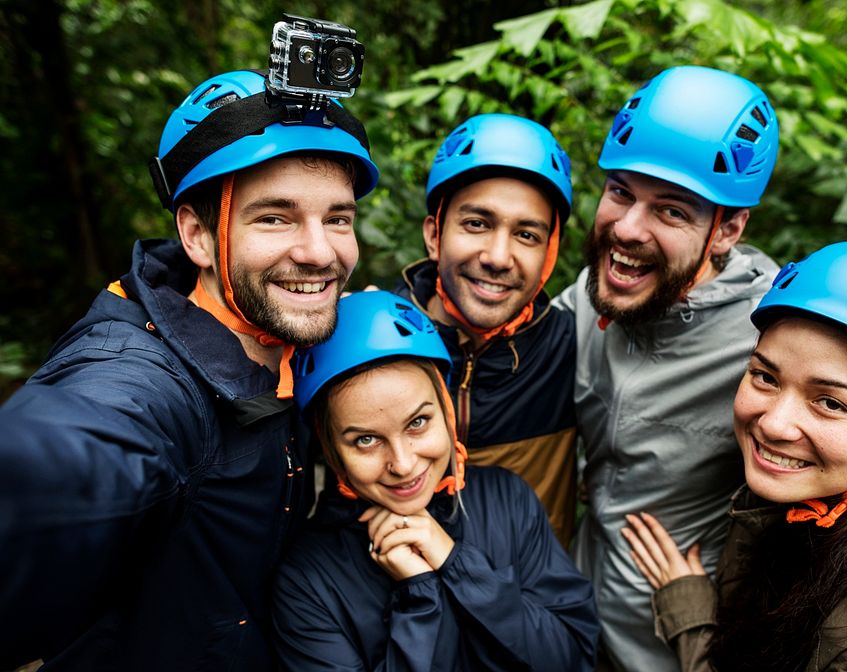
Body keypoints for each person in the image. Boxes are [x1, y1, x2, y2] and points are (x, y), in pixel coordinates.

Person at [0, 69, 378, 670]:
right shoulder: (143, 381)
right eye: (275, 218)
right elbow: (74, 450)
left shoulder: (292, 346)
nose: (320, 251)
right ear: (198, 235)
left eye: (337, 217)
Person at [623, 240, 847, 671]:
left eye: (830, 403)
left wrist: (689, 617)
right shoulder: (825, 501)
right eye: (765, 376)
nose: (773, 424)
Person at [552, 65, 781, 669]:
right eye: (621, 192)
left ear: (728, 229)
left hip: (686, 647)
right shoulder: (585, 300)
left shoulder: (774, 337)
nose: (628, 229)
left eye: (672, 212)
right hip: (576, 631)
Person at [271, 290, 599, 670]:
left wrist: (456, 564)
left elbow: (572, 657)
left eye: (418, 422)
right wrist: (419, 597)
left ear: (447, 409)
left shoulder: (508, 499)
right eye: (366, 439)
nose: (404, 464)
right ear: (330, 449)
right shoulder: (307, 582)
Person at [394, 113, 578, 546]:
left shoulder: (570, 347)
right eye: (477, 224)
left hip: (530, 602)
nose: (498, 256)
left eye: (527, 235)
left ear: (550, 253)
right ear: (435, 234)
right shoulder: (370, 343)